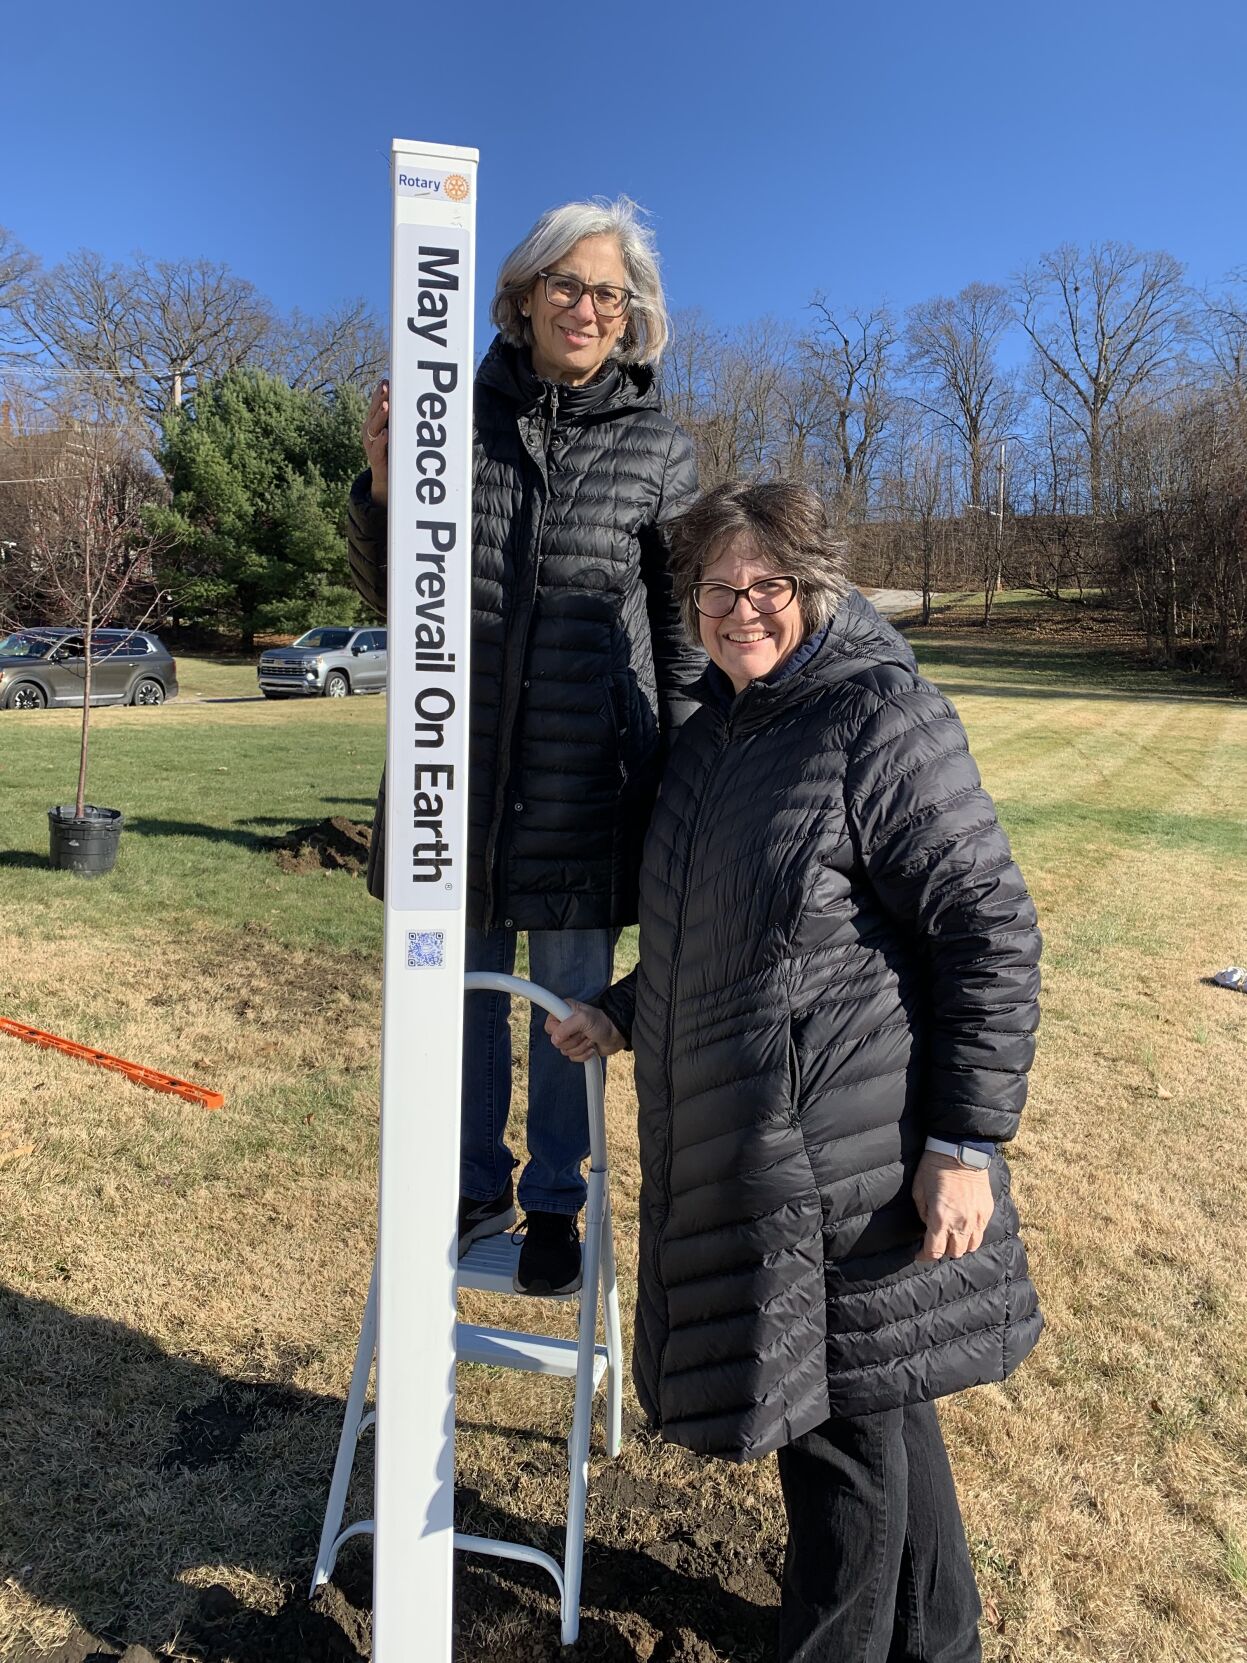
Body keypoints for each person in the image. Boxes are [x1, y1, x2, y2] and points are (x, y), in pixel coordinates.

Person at [546, 479, 1043, 1662]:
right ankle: (941, 1639)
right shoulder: (715, 733)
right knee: (878, 1407)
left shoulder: (873, 715)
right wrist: (622, 1013)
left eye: (765, 585)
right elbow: (719, 928)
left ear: (813, 587)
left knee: (836, 1450)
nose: (739, 608)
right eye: (717, 588)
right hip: (757, 1147)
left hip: (845, 1160)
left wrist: (964, 1143)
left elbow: (986, 928)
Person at [347, 198, 701, 1296]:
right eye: (565, 284)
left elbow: (682, 632)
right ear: (521, 296)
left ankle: (555, 1194)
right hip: (458, 782)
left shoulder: (658, 452)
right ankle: (471, 1181)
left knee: (568, 1017)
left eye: (608, 293)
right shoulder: (451, 423)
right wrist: (379, 486)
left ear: (630, 316)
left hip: (583, 793)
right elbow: (392, 600)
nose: (585, 307)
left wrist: (690, 780)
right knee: (460, 997)